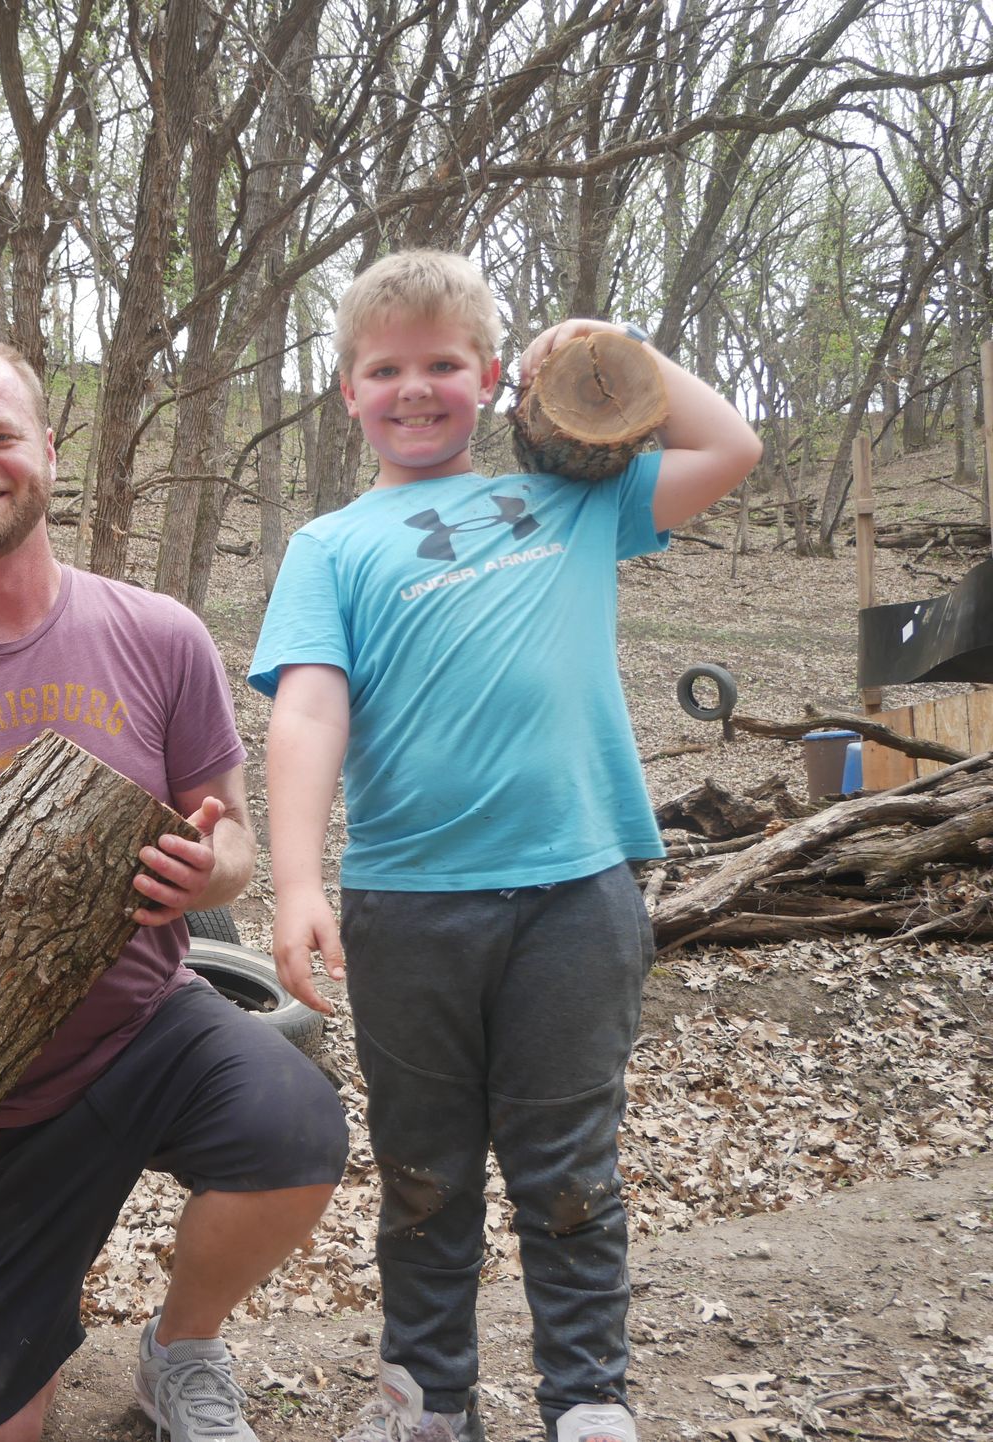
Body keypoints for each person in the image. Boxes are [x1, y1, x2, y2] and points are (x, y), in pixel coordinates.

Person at [0, 338, 348, 1442]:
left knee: (297, 1129)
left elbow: (227, 840)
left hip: (149, 1027)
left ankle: (179, 1347)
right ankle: (14, 1322)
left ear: (48, 448)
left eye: (0, 433)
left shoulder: (157, 633)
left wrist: (208, 869)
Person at [250, 251, 762, 1442]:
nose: (415, 387)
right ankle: (424, 1401)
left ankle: (587, 1398)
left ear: (491, 376)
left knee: (570, 1169)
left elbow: (730, 447)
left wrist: (608, 347)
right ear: (347, 391)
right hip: (405, 903)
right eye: (386, 368)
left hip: (576, 894)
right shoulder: (330, 544)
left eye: (443, 364)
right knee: (424, 1175)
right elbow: (310, 711)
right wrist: (291, 879)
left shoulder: (574, 497)